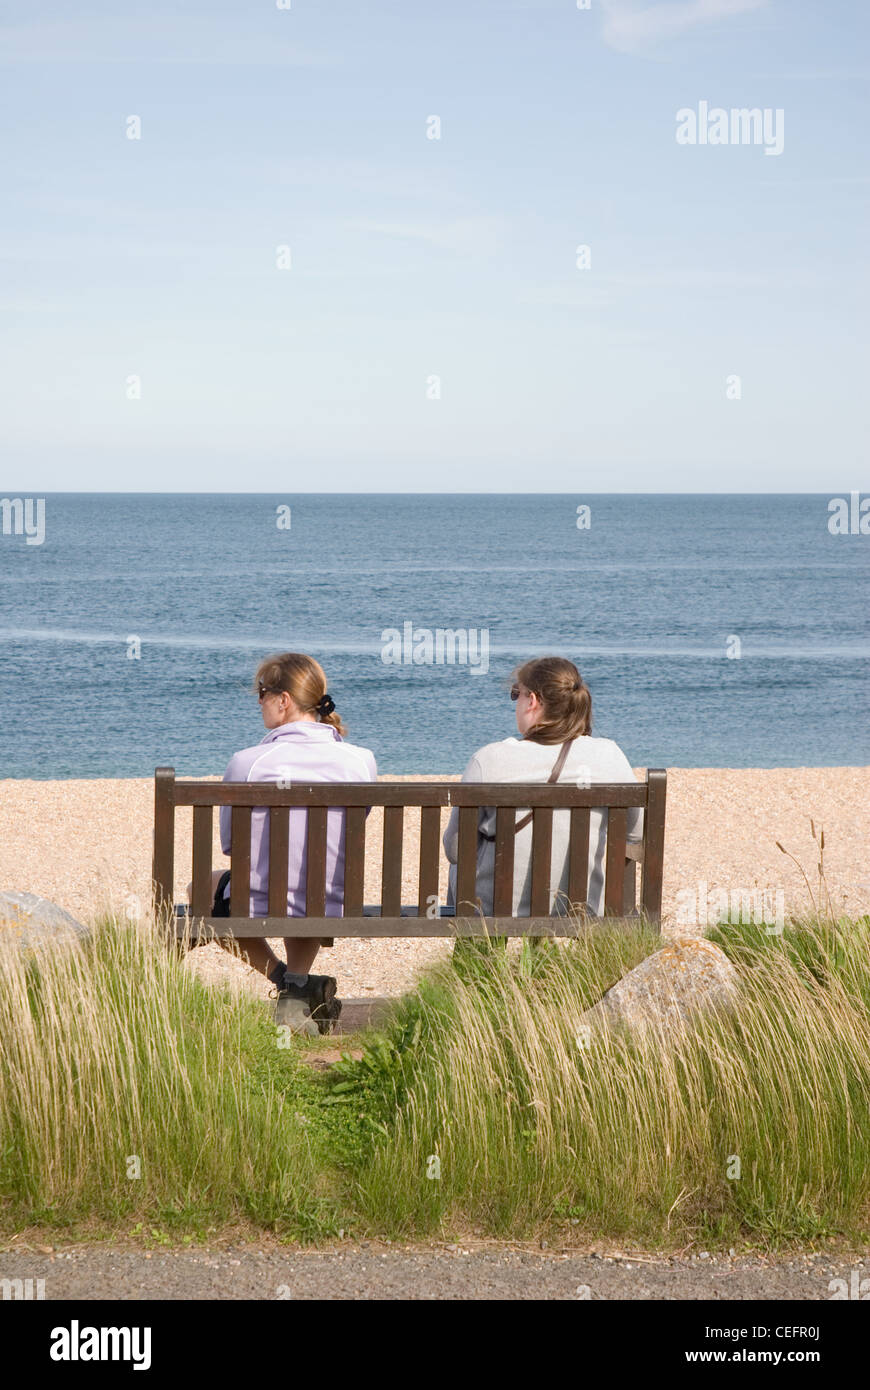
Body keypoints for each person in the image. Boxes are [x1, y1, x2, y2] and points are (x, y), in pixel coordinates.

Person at [194, 652, 376, 1028]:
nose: (259, 702)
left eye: (262, 693)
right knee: (310, 878)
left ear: (284, 701)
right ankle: (295, 986)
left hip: (259, 898)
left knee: (202, 889)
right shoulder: (360, 760)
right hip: (334, 899)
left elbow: (230, 844)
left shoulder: (248, 763)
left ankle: (284, 981)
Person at [443, 656, 642, 921]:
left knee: (465, 861)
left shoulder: (489, 759)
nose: (516, 703)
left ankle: (474, 956)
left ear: (533, 701)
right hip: (581, 907)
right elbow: (636, 833)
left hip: (493, 909)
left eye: (517, 694)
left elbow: (455, 849)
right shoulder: (609, 755)